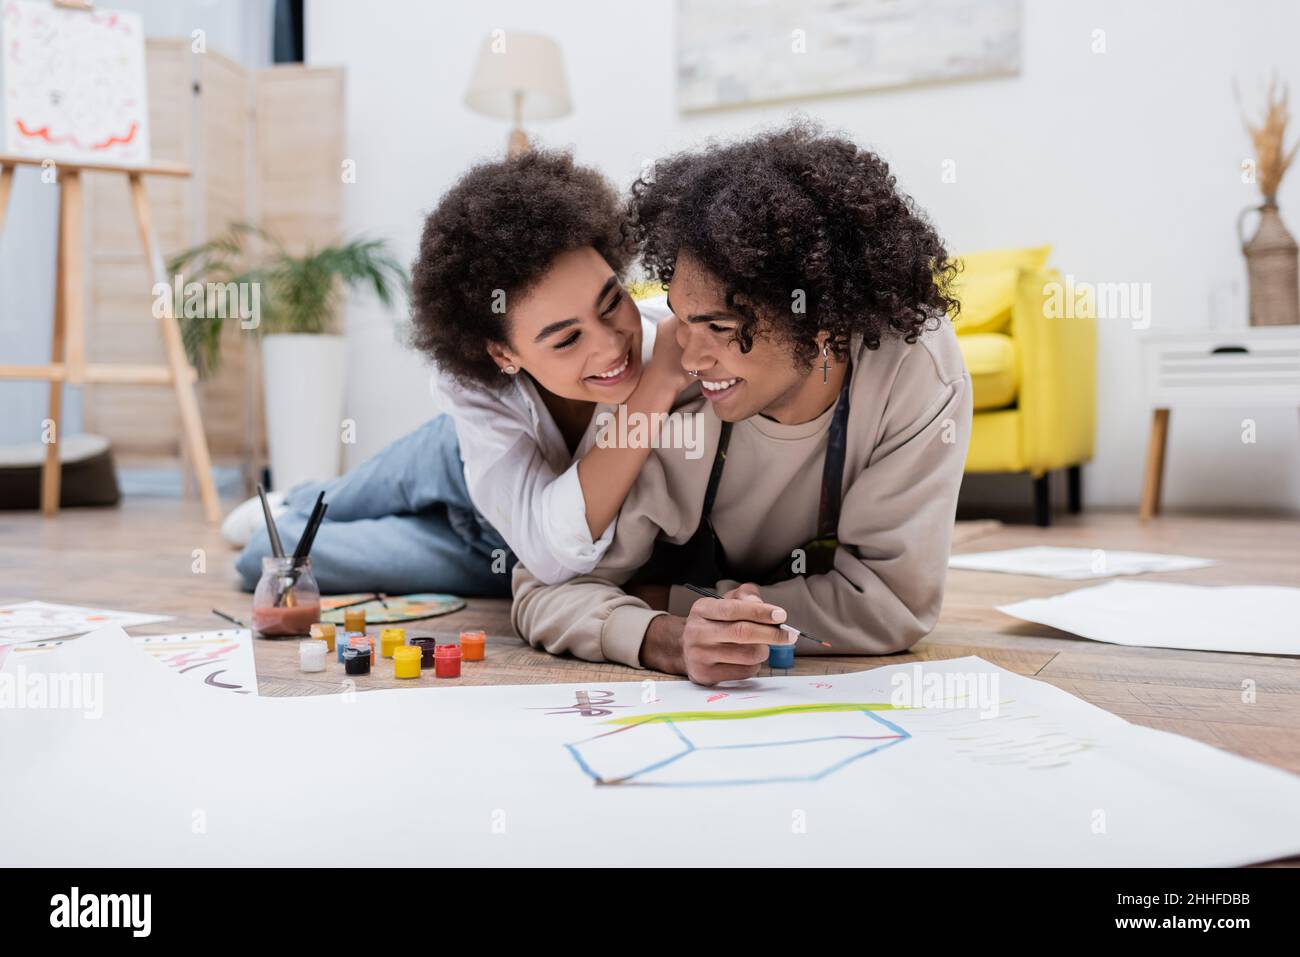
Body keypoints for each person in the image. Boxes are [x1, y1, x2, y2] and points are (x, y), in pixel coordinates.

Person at [511, 122, 973, 685]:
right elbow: (543, 582)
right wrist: (664, 638)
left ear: (825, 323)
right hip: (517, 475)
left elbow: (893, 605)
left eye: (720, 327)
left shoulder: (916, 374)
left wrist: (673, 600)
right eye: (680, 316)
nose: (690, 354)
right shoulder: (664, 387)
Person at [232, 149, 688, 594]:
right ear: (502, 354)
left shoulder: (672, 333)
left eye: (612, 302)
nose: (610, 345)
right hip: (450, 457)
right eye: (567, 339)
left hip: (489, 546)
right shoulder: (472, 383)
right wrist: (656, 384)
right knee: (327, 500)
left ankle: (285, 513)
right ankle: (290, 499)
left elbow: (552, 556)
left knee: (270, 556)